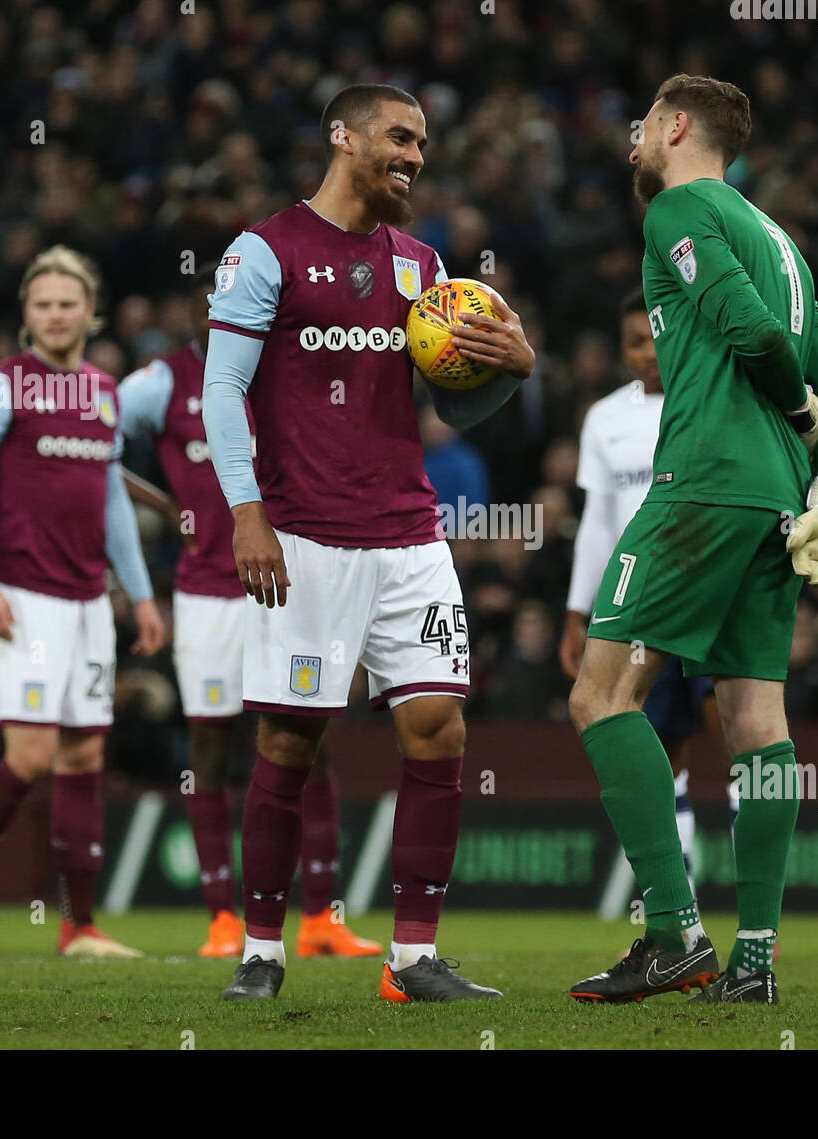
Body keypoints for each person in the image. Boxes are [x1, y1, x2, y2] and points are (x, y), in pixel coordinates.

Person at [201, 84, 536, 1002]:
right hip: (304, 535)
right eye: (399, 138)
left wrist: (512, 370)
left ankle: (413, 959)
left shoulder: (422, 268)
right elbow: (222, 391)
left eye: (423, 143)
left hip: (409, 536)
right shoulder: (264, 252)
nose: (415, 157)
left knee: (439, 730)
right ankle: (263, 953)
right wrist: (245, 512)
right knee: (290, 740)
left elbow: (453, 400)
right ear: (343, 138)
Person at [567, 74, 818, 1005]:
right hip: (778, 502)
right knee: (755, 722)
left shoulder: (678, 208)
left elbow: (753, 333)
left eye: (643, 120)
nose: (633, 137)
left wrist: (790, 401)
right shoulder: (781, 239)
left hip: (704, 480)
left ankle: (674, 931)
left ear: (678, 126)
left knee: (600, 694)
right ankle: (757, 962)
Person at [118, 268, 380, 960]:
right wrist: (161, 510)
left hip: (293, 583)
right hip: (207, 595)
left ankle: (321, 916)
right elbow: (93, 436)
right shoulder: (163, 381)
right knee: (211, 748)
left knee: (311, 741)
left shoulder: (290, 367)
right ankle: (222, 920)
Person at [0, 245, 165, 958]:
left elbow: (113, 503)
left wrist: (142, 594)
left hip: (89, 601)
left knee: (83, 754)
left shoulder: (103, 393)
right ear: (27, 315)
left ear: (91, 312)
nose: (56, 314)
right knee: (32, 751)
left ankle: (80, 926)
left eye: (68, 302)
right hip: (23, 594)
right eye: (43, 304)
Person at [559, 289, 703, 893]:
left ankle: (759, 925)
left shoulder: (709, 402)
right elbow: (597, 522)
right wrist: (576, 612)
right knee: (665, 755)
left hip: (715, 594)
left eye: (657, 338)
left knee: (751, 744)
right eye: (634, 343)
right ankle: (681, 908)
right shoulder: (605, 419)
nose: (649, 353)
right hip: (644, 605)